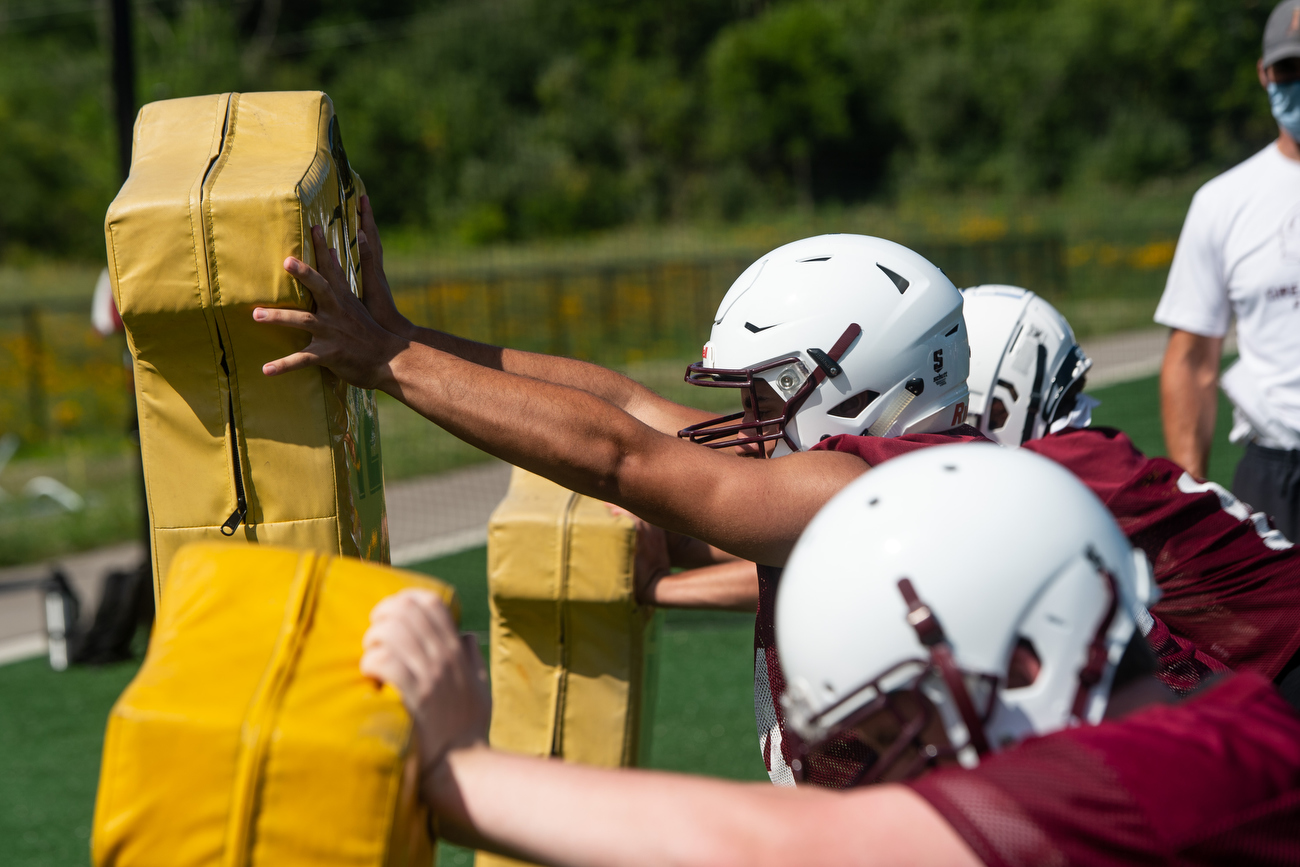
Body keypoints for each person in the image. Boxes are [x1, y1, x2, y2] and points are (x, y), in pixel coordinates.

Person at [360, 446, 1300, 867]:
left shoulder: (1176, 772)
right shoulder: (1197, 737)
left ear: (1028, 660)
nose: (909, 768)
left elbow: (793, 847)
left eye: (909, 720)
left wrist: (459, 768)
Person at [1156, 0, 1300, 541]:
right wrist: (1192, 500)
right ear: (1265, 75)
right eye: (1289, 69)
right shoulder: (1223, 202)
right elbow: (1192, 360)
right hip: (1279, 474)